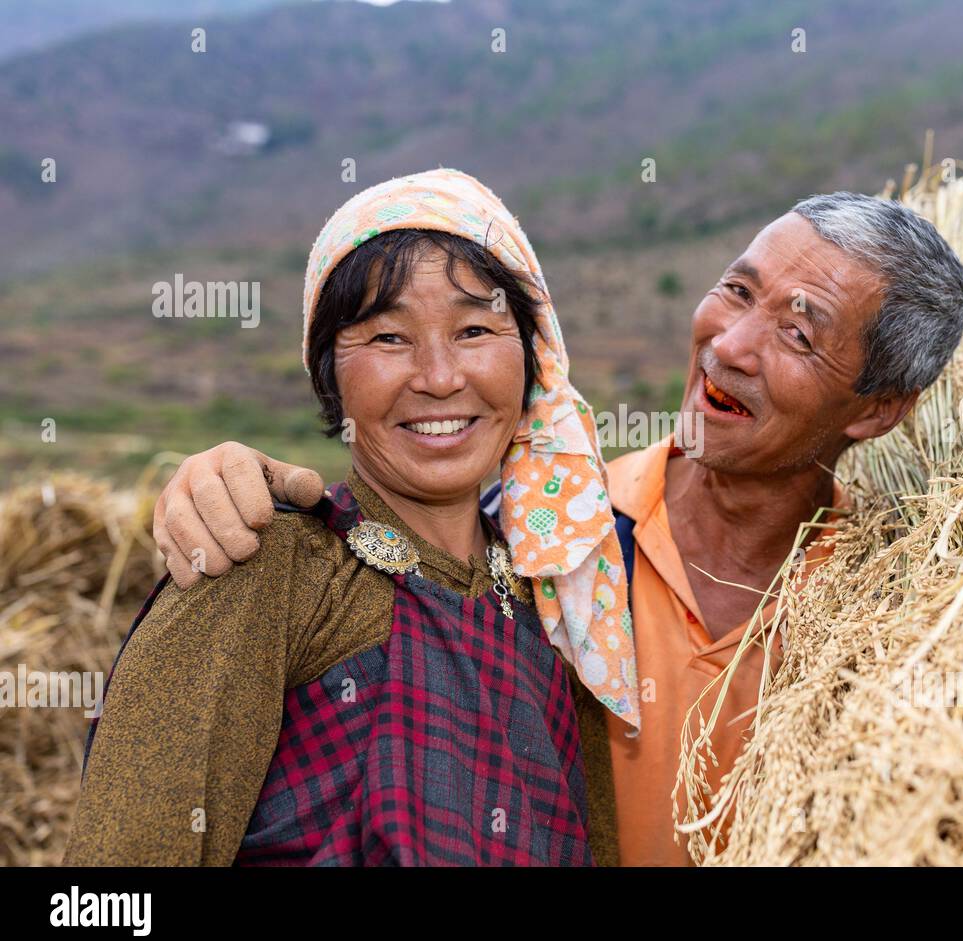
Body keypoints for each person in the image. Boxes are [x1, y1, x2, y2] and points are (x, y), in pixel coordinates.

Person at [147, 190, 963, 865]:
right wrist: (219, 487)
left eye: (798, 333)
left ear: (880, 408)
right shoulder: (546, 549)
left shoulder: (908, 620)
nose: (732, 344)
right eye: (736, 290)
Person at [65, 169, 635, 866]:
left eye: (476, 330)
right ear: (330, 373)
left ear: (534, 364)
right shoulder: (264, 567)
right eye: (389, 338)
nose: (439, 376)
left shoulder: (556, 607)